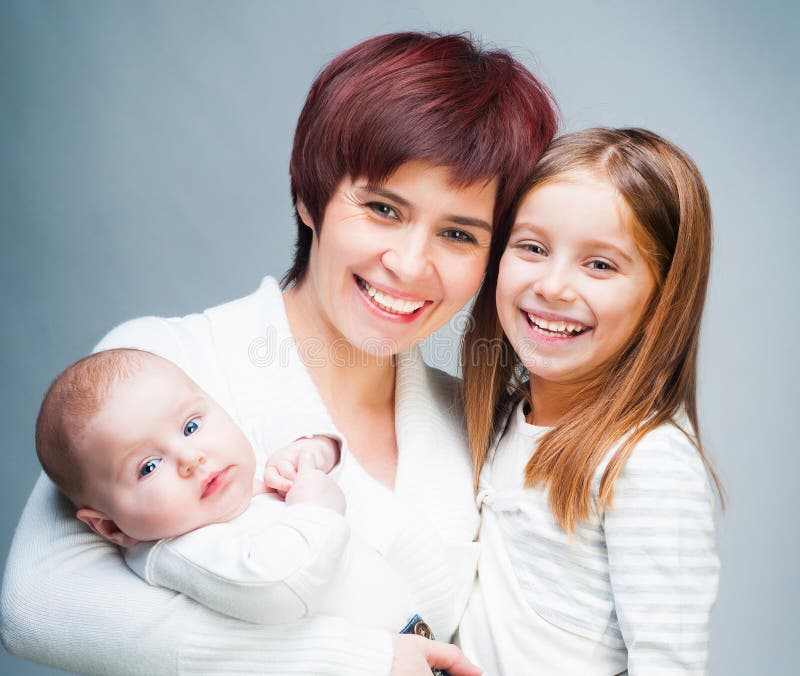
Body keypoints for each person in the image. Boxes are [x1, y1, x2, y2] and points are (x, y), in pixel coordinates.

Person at [1, 32, 558, 675]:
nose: (409, 264)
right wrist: (350, 661)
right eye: (382, 208)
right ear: (310, 194)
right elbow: (38, 607)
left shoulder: (477, 424)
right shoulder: (157, 365)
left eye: (459, 234)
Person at [458, 128, 722, 675]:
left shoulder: (648, 460)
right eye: (532, 248)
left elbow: (669, 662)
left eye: (600, 265)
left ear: (661, 301)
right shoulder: (502, 419)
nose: (554, 286)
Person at [35, 348, 411, 629]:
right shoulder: (181, 551)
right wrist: (317, 509)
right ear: (111, 527)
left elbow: (294, 426)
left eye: (191, 427)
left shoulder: (243, 467)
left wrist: (312, 449)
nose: (191, 458)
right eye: (148, 467)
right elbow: (278, 585)